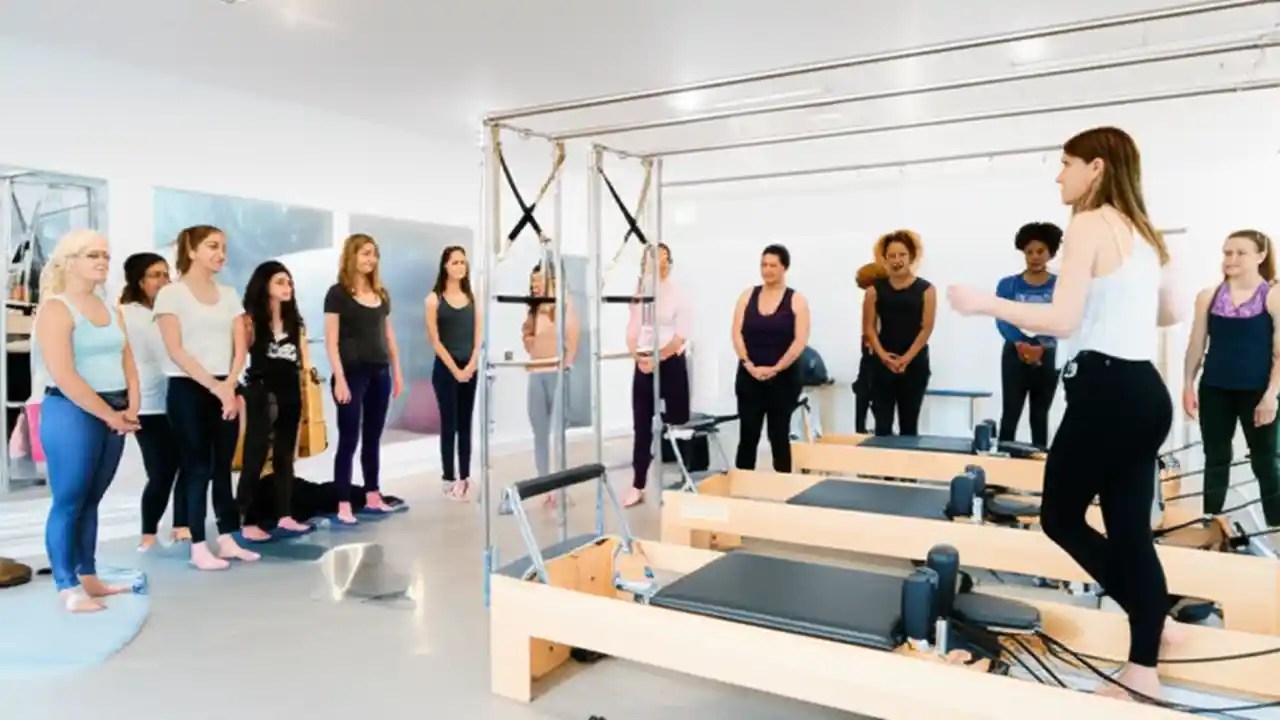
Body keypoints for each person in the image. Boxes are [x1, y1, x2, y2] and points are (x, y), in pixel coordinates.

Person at [948, 126, 1186, 702]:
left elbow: (1061, 319)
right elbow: (1169, 310)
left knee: (1060, 517)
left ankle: (1146, 632)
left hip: (1104, 391)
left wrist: (983, 303)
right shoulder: (1146, 233)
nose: (1059, 175)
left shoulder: (1087, 224)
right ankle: (1151, 644)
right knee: (1129, 528)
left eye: (1066, 164)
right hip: (1144, 391)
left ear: (1097, 168)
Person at [35, 229, 141, 612]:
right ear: (70, 261)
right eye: (92, 255)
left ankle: (89, 576)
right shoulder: (56, 308)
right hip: (71, 410)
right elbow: (64, 374)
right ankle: (66, 586)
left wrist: (132, 405)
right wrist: (110, 415)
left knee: (92, 499)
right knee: (70, 498)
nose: (102, 261)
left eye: (106, 256)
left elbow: (127, 360)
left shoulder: (112, 309)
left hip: (114, 411)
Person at [154, 225, 259, 571]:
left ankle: (227, 537)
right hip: (188, 389)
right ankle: (199, 544)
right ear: (192, 249)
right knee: (196, 468)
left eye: (224, 247)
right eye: (213, 246)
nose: (221, 254)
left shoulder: (228, 294)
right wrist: (216, 388)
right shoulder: (171, 294)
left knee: (223, 467)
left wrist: (229, 384)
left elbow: (239, 344)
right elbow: (176, 349)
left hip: (225, 387)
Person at [1183, 229, 1280, 528]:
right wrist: (1187, 384)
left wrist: (1271, 396)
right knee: (1216, 456)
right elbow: (1197, 343)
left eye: (1241, 253)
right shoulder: (1208, 296)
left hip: (1257, 392)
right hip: (1215, 389)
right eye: (1227, 252)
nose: (1232, 259)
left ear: (1260, 256)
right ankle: (1212, 521)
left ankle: (1276, 527)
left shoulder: (1273, 296)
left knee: (1265, 461)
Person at [323, 233, 403, 524]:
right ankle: (343, 501)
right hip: (351, 374)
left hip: (379, 372)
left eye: (374, 254)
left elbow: (389, 336)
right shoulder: (337, 294)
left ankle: (372, 494)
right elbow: (331, 342)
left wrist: (398, 372)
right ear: (352, 256)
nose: (370, 259)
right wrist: (340, 379)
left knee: (373, 438)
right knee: (349, 438)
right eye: (365, 253)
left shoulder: (381, 294)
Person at [236, 261, 312, 540]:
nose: (287, 287)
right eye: (280, 282)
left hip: (290, 390)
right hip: (262, 392)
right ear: (265, 284)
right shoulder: (250, 321)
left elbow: (299, 361)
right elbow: (240, 358)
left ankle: (285, 514)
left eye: (289, 282)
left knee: (284, 455)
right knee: (255, 453)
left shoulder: (294, 322)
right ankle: (246, 518)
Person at [118, 252, 189, 551]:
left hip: (178, 397)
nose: (163, 280)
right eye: (155, 275)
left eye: (165, 274)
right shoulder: (124, 313)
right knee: (161, 471)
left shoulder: (173, 311)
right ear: (139, 280)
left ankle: (182, 526)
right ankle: (148, 533)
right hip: (146, 403)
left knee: (189, 464)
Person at [731, 244, 810, 472]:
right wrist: (749, 364)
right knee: (748, 434)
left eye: (773, 265)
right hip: (749, 376)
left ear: (784, 267)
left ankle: (783, 488)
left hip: (783, 379)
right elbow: (736, 333)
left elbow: (799, 342)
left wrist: (776, 368)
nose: (767, 270)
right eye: (764, 265)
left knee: (778, 435)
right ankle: (743, 489)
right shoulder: (747, 296)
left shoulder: (796, 300)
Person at [624, 243, 692, 507]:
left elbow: (680, 336)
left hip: (670, 362)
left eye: (663, 259)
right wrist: (637, 355)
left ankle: (680, 477)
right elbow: (632, 330)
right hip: (643, 364)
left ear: (669, 263)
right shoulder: (639, 297)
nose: (657, 263)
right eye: (652, 259)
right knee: (641, 425)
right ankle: (638, 483)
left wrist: (658, 357)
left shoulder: (679, 296)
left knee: (676, 421)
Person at [995, 222, 1064, 448]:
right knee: (1010, 412)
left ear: (1050, 253)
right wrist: (1020, 343)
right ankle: (1001, 471)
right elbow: (1002, 317)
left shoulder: (1061, 286)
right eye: (1029, 252)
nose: (1034, 257)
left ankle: (1039, 469)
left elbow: (1063, 319)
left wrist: (1042, 347)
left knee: (1040, 414)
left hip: (1048, 355)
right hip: (1015, 354)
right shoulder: (1008, 285)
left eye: (1040, 251)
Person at [862, 230, 935, 436]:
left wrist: (906, 359)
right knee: (882, 426)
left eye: (902, 255)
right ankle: (879, 469)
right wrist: (884, 357)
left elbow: (926, 327)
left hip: (915, 363)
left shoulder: (926, 289)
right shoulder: (874, 291)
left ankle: (908, 468)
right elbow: (869, 328)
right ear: (884, 258)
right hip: (882, 363)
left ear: (911, 256)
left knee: (909, 425)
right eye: (892, 256)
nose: (897, 260)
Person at [425, 246, 481, 502]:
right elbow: (435, 341)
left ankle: (465, 477)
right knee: (449, 425)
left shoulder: (473, 296)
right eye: (455, 262)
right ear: (445, 266)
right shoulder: (433, 299)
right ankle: (449, 479)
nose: (460, 266)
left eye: (463, 262)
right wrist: (456, 370)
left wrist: (470, 365)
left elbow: (478, 334)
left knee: (465, 424)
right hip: (446, 370)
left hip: (469, 367)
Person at [521, 261, 579, 506]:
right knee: (540, 433)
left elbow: (572, 340)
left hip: (557, 374)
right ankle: (545, 485)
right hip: (536, 374)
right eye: (532, 281)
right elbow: (527, 339)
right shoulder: (533, 310)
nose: (534, 285)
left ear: (552, 281)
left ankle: (561, 486)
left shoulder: (564, 305)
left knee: (558, 434)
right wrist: (529, 338)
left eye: (539, 280)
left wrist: (565, 366)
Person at [852, 262, 886, 434]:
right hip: (874, 347)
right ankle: (873, 428)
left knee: (865, 390)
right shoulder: (875, 293)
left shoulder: (871, 293)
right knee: (871, 390)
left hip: (870, 348)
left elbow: (868, 325)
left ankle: (860, 428)